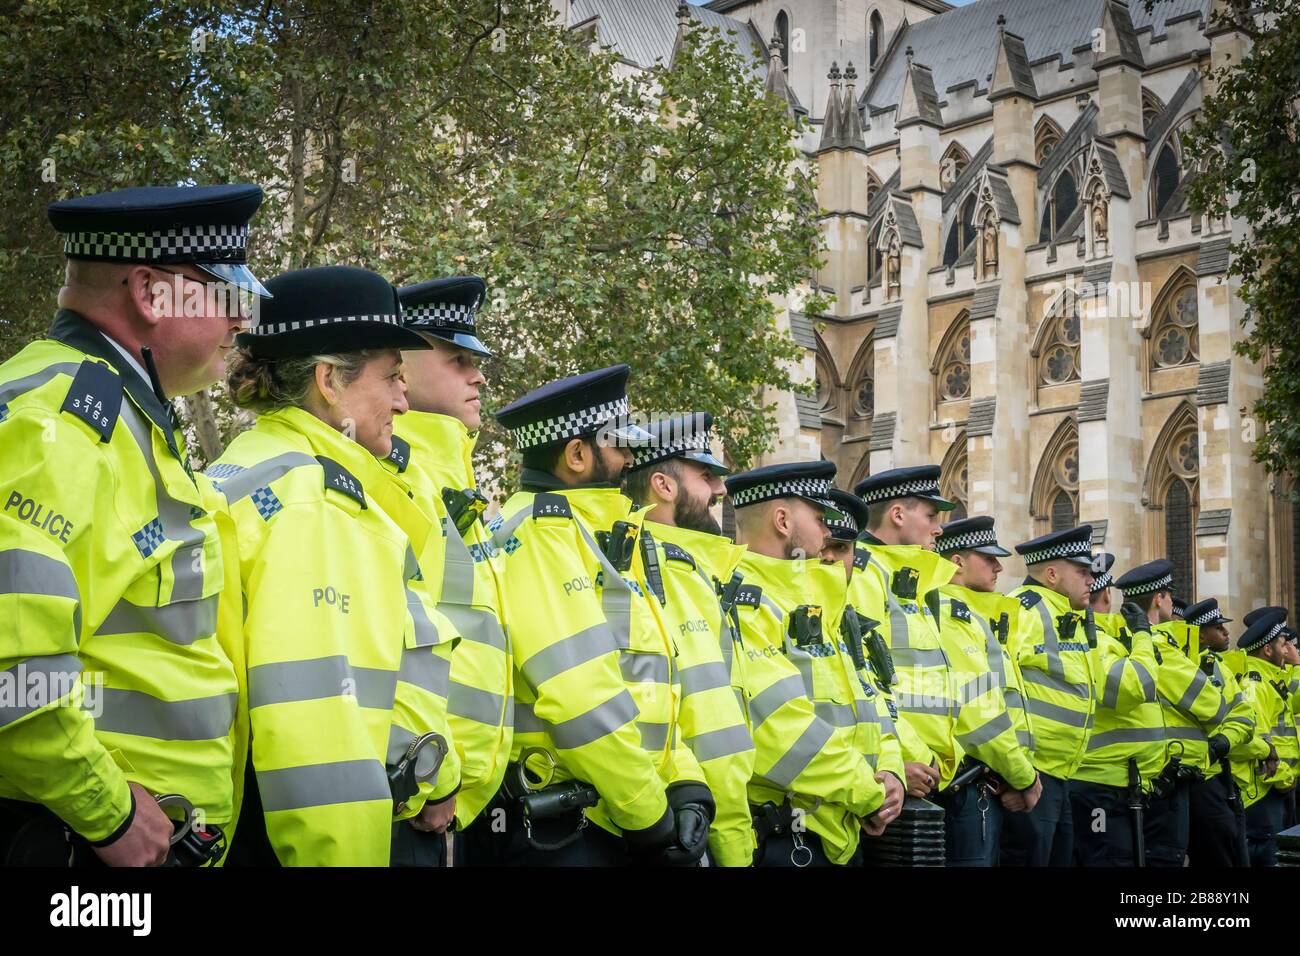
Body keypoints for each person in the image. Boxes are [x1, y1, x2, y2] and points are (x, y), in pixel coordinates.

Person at [0, 184, 269, 866]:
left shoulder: (118, 412)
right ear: (151, 293)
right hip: (77, 847)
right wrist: (111, 815)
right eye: (227, 296)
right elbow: (10, 665)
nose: (242, 322)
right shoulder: (64, 420)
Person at [210, 265, 460, 865]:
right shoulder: (312, 499)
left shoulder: (251, 466)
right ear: (328, 380)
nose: (404, 397)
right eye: (391, 376)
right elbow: (319, 732)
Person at [486, 365, 711, 866]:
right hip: (568, 832)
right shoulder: (538, 534)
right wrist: (650, 813)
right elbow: (578, 696)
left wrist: (687, 787)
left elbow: (656, 686)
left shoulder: (606, 535)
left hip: (614, 818)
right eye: (620, 444)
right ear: (577, 454)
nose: (631, 456)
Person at [385, 276, 508, 866]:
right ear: (400, 367)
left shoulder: (452, 480)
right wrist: (435, 774)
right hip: (413, 795)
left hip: (449, 802)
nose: (478, 375)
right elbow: (403, 641)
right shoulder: (395, 475)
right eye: (458, 359)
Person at [726, 462, 904, 866]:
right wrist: (869, 792)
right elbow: (779, 729)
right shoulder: (747, 602)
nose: (827, 534)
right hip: (788, 837)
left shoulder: (820, 606)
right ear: (783, 520)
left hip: (838, 829)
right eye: (821, 520)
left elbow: (872, 703)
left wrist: (891, 772)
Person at [622, 412, 757, 866]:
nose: (720, 490)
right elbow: (709, 730)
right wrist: (735, 848)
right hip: (693, 830)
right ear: (664, 485)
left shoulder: (689, 570)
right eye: (706, 475)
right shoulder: (665, 571)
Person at [1003, 526, 1158, 866]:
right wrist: (1014, 772)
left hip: (1061, 775)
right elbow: (1000, 690)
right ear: (1052, 574)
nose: (1091, 580)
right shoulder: (1024, 610)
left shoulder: (1071, 617)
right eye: (1082, 571)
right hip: (1033, 774)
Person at [931, 516, 1042, 866]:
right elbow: (979, 714)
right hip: (970, 787)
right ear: (957, 562)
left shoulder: (978, 616)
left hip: (992, 781)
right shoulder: (952, 615)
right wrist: (1023, 778)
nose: (998, 566)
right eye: (987, 557)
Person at [1114, 560, 1239, 867]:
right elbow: (1214, 706)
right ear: (1159, 598)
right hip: (1167, 780)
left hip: (1141, 777)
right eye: (1169, 594)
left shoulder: (1122, 641)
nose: (1171, 599)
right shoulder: (1162, 647)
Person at [847, 466, 958, 809]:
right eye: (930, 515)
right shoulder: (865, 574)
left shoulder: (913, 577)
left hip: (930, 772)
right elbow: (867, 680)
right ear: (897, 514)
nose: (939, 528)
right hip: (903, 774)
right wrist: (903, 759)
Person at [1182, 598, 1268, 866]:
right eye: (1217, 627)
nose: (1226, 632)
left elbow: (1242, 715)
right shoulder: (1201, 665)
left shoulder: (1218, 665)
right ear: (1200, 634)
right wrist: (1266, 749)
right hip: (1207, 775)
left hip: (1223, 776)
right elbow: (1222, 720)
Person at [1223, 608, 1294, 866]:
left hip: (1274, 787)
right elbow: (1260, 742)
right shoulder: (1255, 685)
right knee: (1269, 856)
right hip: (1264, 790)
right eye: (1281, 644)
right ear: (1267, 650)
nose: (1286, 649)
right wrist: (1285, 777)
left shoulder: (1269, 680)